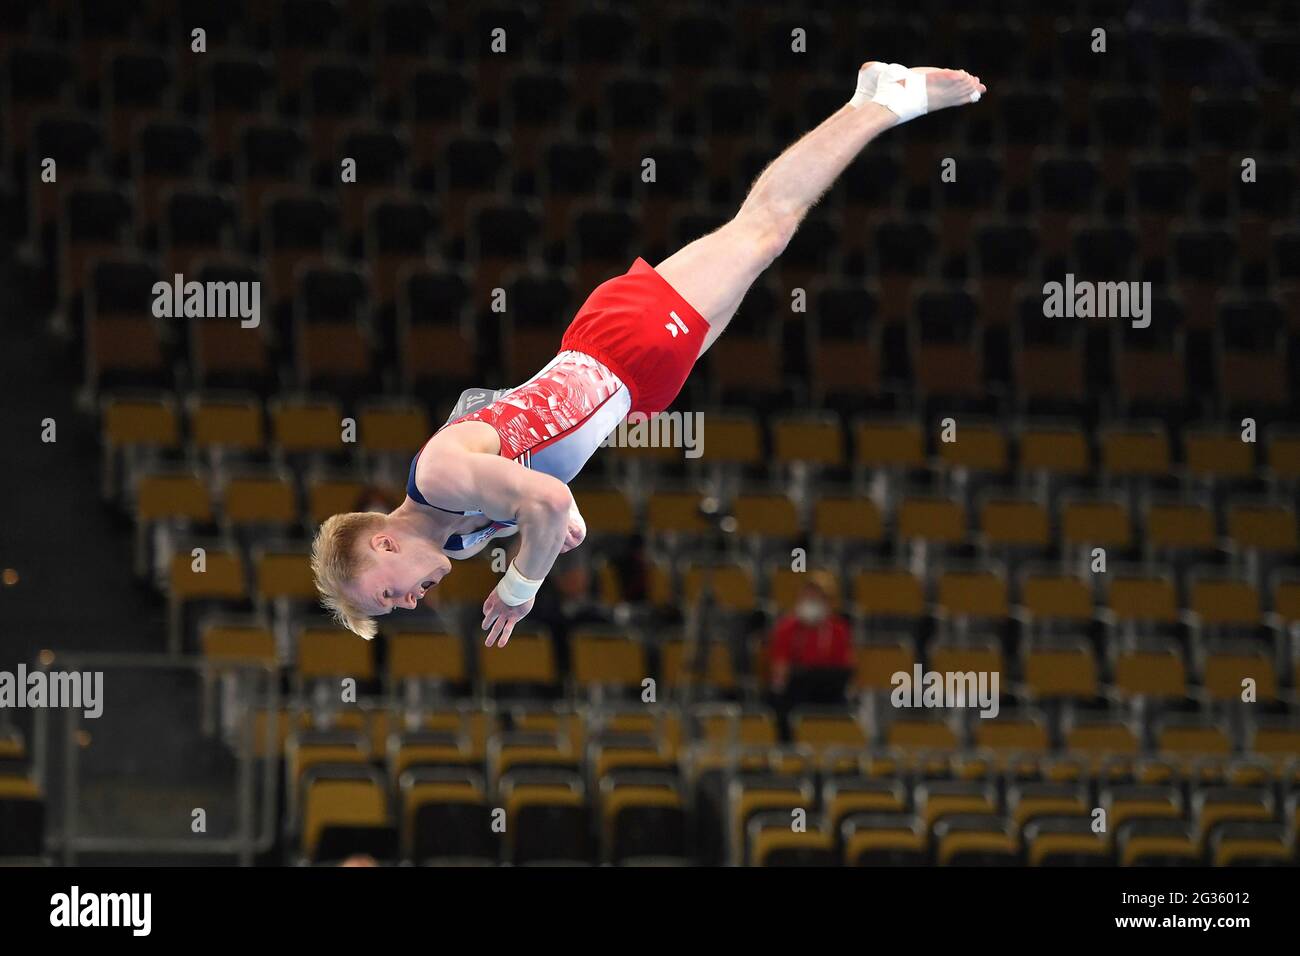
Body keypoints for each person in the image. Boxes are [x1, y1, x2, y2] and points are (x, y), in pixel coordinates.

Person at [311, 62, 986, 646]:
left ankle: (879, 99)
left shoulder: (439, 474)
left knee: (766, 227)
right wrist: (560, 509)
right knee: (762, 236)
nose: (411, 603)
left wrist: (522, 583)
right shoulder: (455, 534)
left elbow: (542, 494)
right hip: (633, 386)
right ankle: (869, 103)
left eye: (388, 594)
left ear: (384, 542)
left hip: (618, 346)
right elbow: (491, 418)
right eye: (397, 609)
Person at [767, 574, 854, 738]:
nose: (811, 602)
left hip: (828, 692)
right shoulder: (786, 628)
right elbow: (779, 669)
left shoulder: (838, 630)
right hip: (795, 692)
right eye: (808, 597)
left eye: (816, 598)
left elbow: (843, 668)